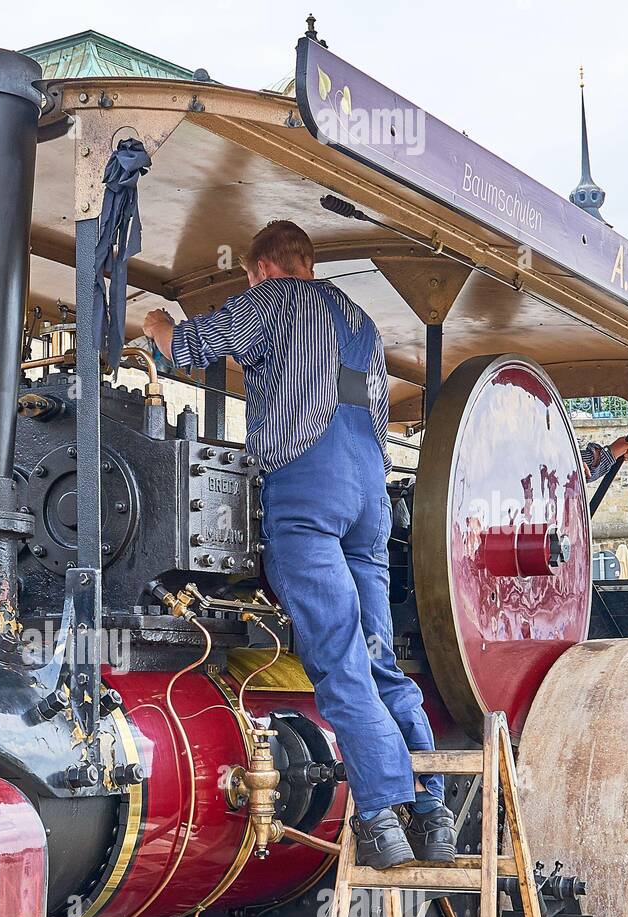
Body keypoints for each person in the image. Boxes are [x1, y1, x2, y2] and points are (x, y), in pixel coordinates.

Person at [144, 220, 454, 869]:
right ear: (307, 262)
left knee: (337, 660)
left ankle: (376, 818)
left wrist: (151, 324)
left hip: (308, 493)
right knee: (377, 660)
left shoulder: (271, 300)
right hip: (367, 502)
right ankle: (430, 809)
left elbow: (187, 348)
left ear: (261, 269)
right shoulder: (359, 319)